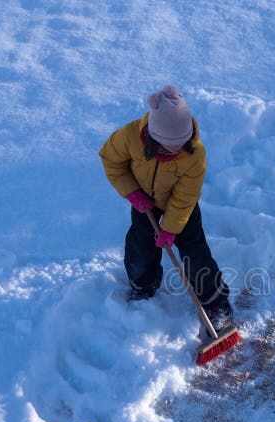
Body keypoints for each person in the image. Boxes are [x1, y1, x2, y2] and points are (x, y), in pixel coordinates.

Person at [99, 84, 233, 331]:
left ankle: (215, 302)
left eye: (180, 147)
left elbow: (186, 195)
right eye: (168, 148)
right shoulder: (130, 137)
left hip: (181, 206)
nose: (175, 152)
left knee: (195, 251)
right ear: (152, 136)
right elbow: (110, 159)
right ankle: (143, 286)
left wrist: (171, 227)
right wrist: (132, 192)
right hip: (144, 202)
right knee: (140, 246)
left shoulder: (194, 153)